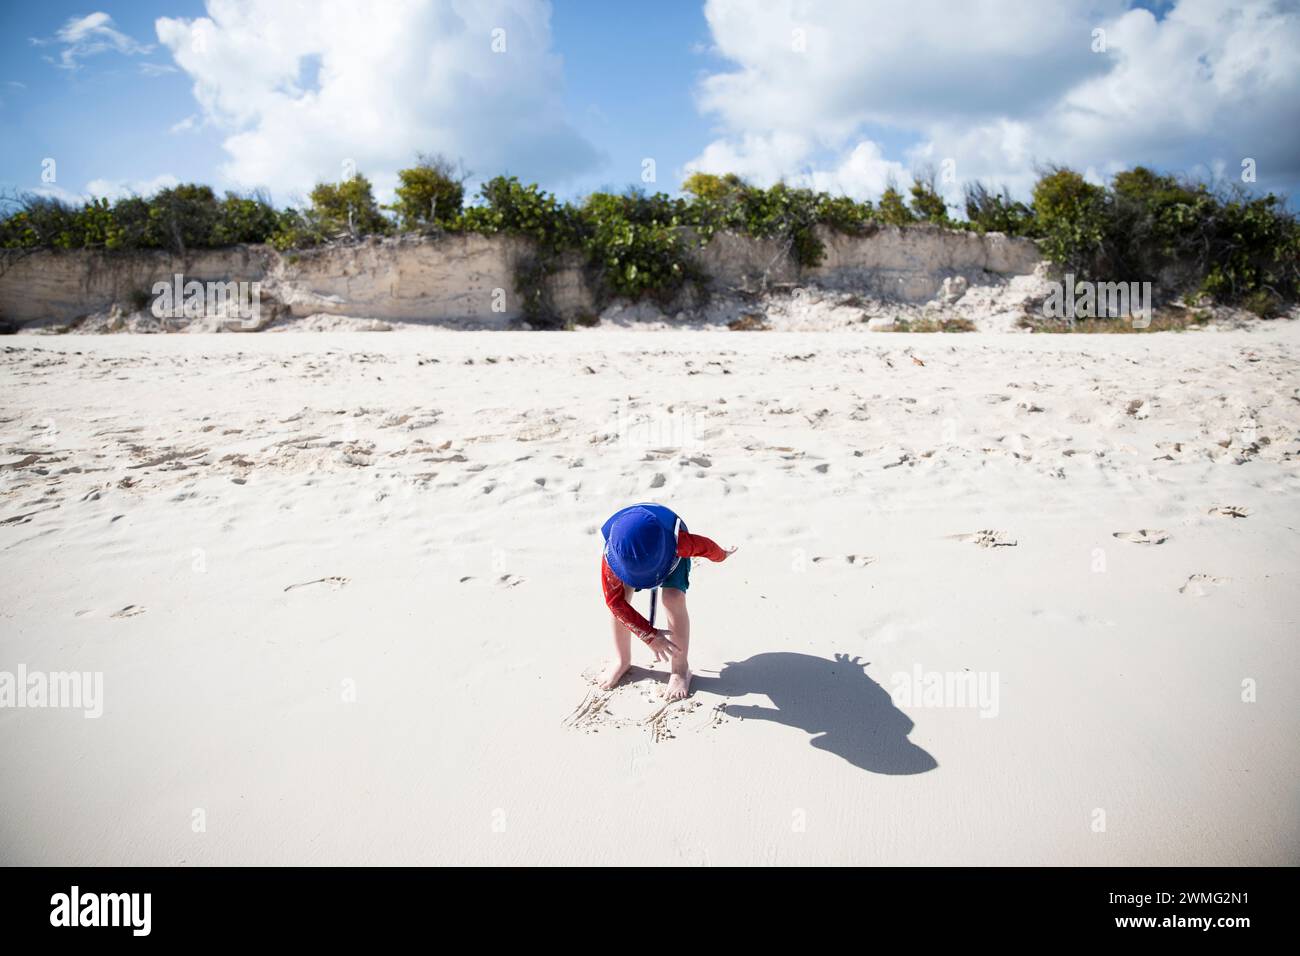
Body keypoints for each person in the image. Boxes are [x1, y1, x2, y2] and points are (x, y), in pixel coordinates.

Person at [598, 502, 736, 699]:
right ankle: (622, 659)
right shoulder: (612, 558)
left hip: (671, 561)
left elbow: (706, 547)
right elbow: (614, 603)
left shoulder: (679, 543)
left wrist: (721, 555)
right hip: (628, 563)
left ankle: (680, 669)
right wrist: (649, 635)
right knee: (622, 598)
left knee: (672, 599)